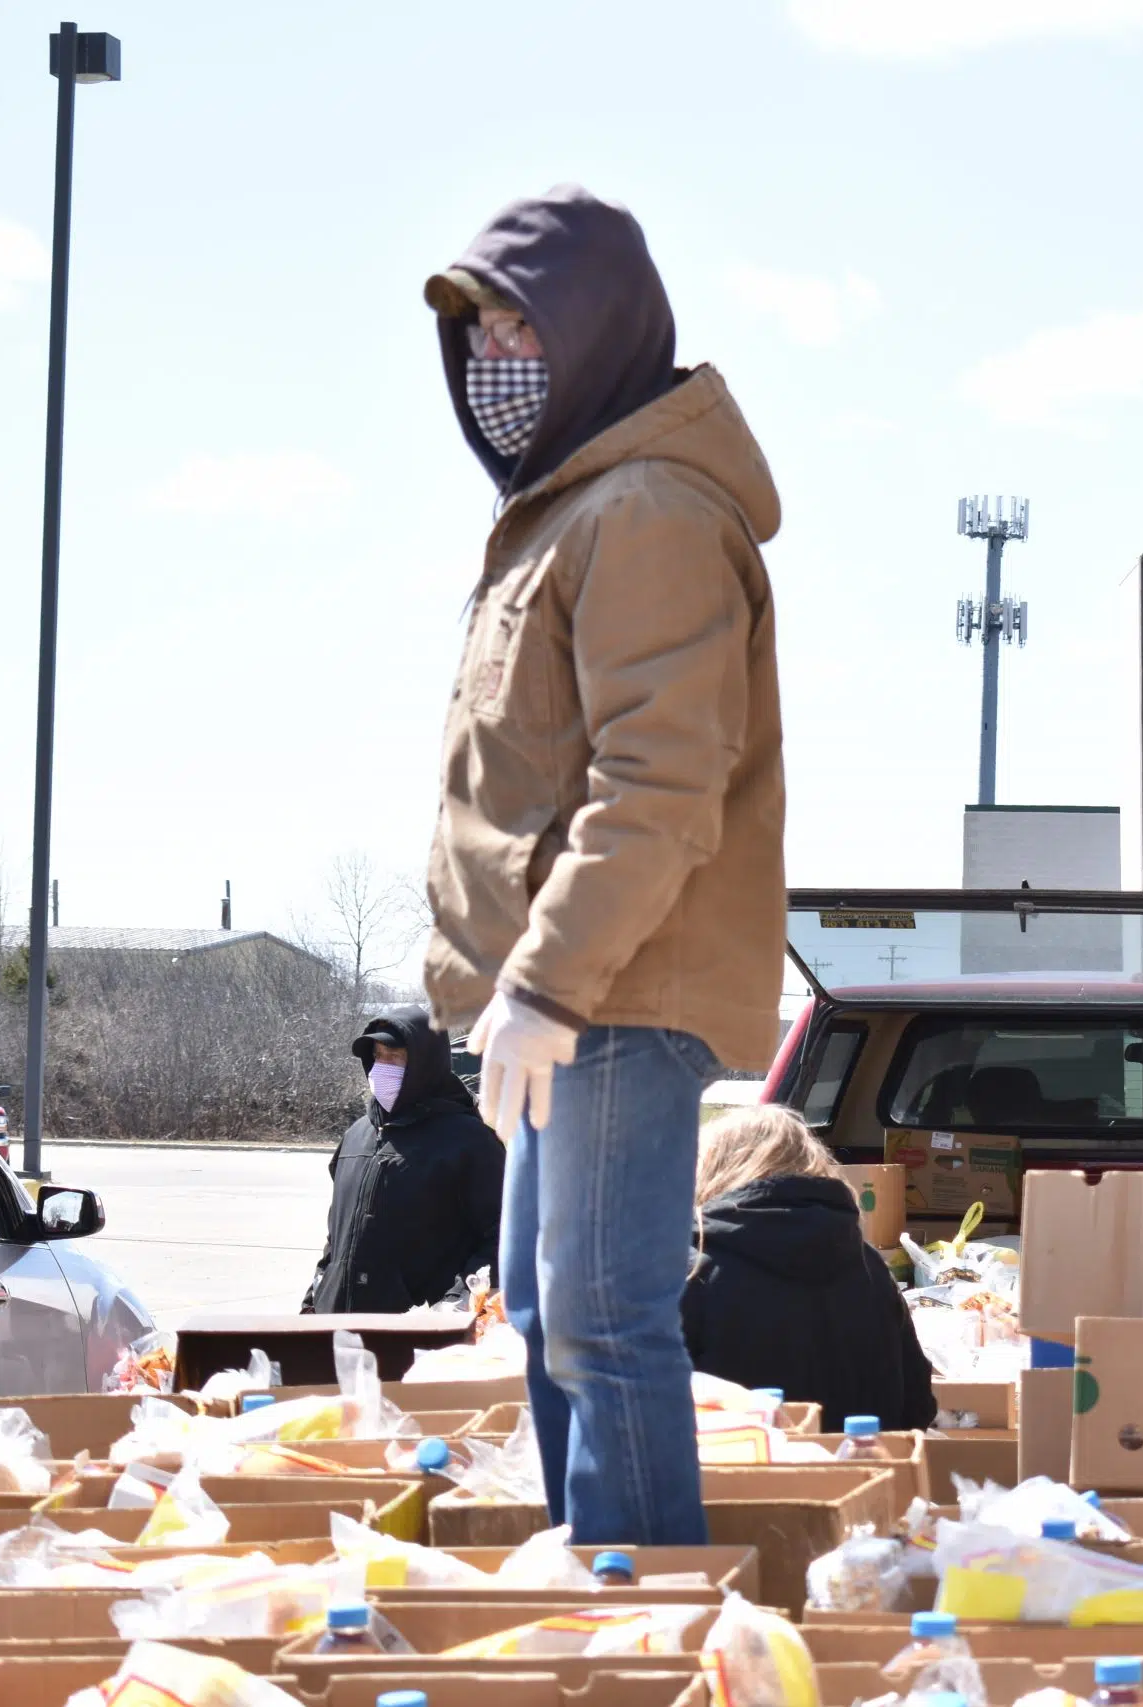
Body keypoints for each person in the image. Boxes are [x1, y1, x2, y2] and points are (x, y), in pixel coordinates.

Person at [418, 186, 786, 1545]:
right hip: (571, 994)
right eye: (478, 329)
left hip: (619, 992)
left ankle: (641, 1608)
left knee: (598, 1310)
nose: (495, 356)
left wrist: (553, 982)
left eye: (524, 324)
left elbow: (661, 784)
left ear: (597, 332)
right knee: (543, 1292)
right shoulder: (571, 513)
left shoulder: (645, 513)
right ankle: (597, 1580)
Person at [680, 1105, 938, 1430]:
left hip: (740, 1476)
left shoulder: (691, 1268)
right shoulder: (869, 1265)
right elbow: (917, 1407)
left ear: (714, 1170)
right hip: (863, 1473)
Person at [302, 1009, 503, 1314]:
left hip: (418, 1336)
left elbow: (502, 1236)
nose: (383, 1067)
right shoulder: (357, 1135)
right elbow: (339, 1239)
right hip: (336, 1328)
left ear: (426, 1064)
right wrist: (313, 1301)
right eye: (378, 1056)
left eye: (395, 1056)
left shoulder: (469, 1141)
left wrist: (455, 1305)